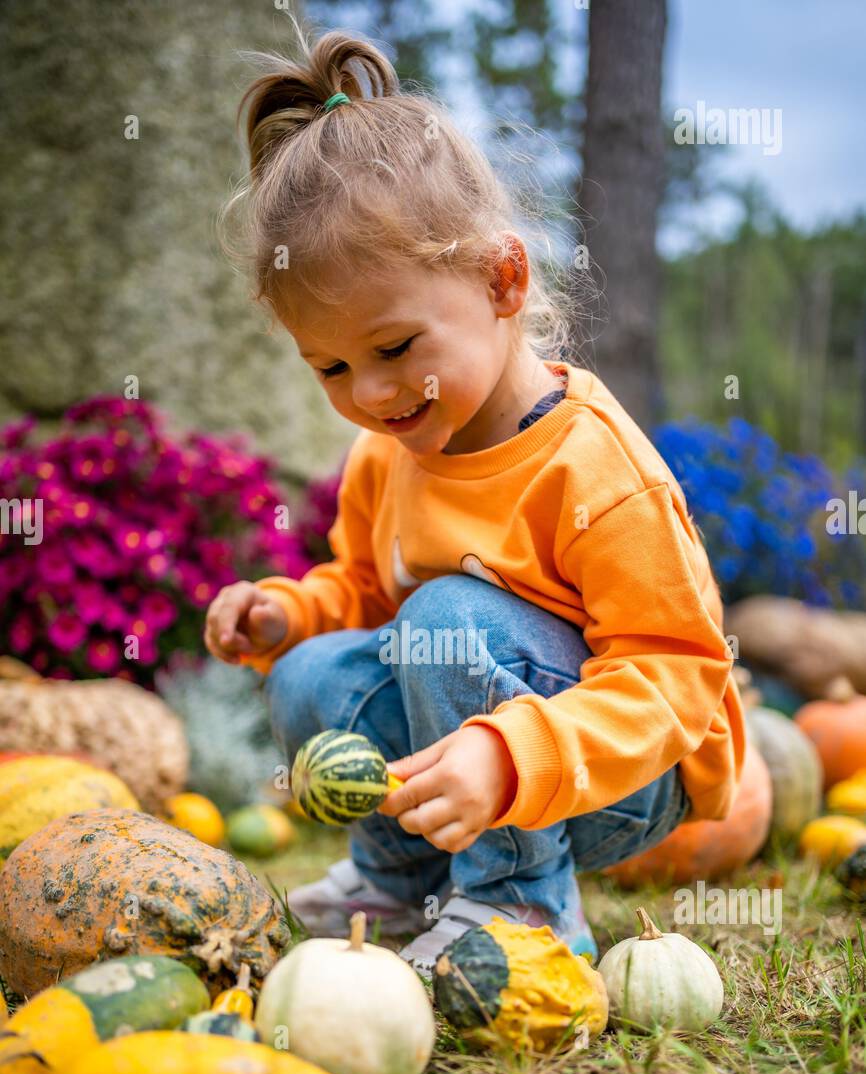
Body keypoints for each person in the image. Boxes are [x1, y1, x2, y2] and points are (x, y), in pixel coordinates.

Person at [206, 23, 746, 976]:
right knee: (312, 676)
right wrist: (288, 614)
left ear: (503, 279)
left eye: (395, 347)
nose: (370, 394)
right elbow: (368, 595)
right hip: (470, 747)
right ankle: (402, 880)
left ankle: (521, 912)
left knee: (451, 616)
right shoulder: (391, 452)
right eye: (331, 365)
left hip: (620, 771)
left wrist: (512, 756)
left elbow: (674, 675)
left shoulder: (592, 471)